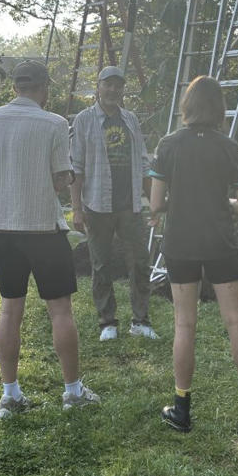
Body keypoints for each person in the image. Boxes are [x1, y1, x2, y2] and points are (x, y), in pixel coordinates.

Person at [0, 60, 100, 419]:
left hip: (4, 229)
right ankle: (72, 392)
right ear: (44, 88)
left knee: (9, 308)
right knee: (59, 309)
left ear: (15, 87)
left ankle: (10, 395)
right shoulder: (55, 123)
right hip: (45, 230)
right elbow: (62, 177)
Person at [148, 75, 238, 433]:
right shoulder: (229, 147)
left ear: (187, 106)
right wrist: (223, 201)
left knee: (184, 324)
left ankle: (181, 409)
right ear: (218, 109)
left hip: (180, 244)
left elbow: (155, 204)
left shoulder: (167, 145)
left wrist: (178, 202)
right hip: (219, 243)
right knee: (235, 320)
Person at [70, 65, 158, 342]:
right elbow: (77, 167)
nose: (113, 90)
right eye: (108, 84)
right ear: (98, 87)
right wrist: (76, 208)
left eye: (118, 85)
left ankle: (140, 321)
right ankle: (107, 322)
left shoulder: (130, 119)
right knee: (101, 264)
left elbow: (144, 163)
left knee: (140, 263)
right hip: (97, 205)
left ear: (122, 89)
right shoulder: (84, 121)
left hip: (130, 204)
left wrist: (154, 202)